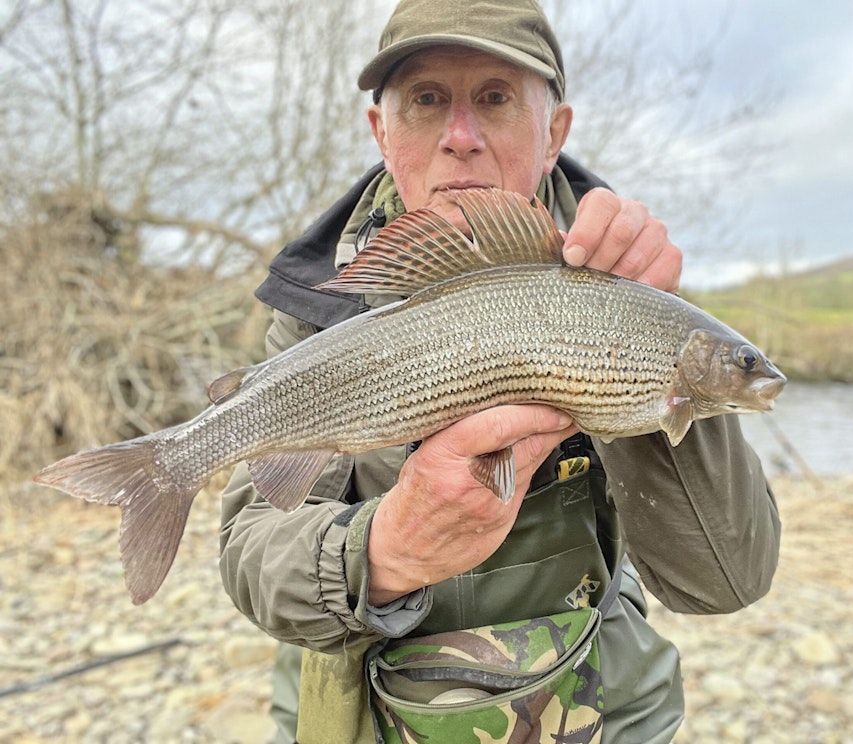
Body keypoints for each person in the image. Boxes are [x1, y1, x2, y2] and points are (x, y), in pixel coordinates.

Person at [218, 1, 781, 742]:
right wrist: (385, 548)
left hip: (596, 709)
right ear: (381, 133)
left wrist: (651, 366)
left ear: (554, 132)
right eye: (426, 100)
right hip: (369, 712)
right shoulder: (317, 301)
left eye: (495, 97)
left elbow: (725, 582)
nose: (461, 139)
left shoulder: (628, 287)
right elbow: (252, 553)